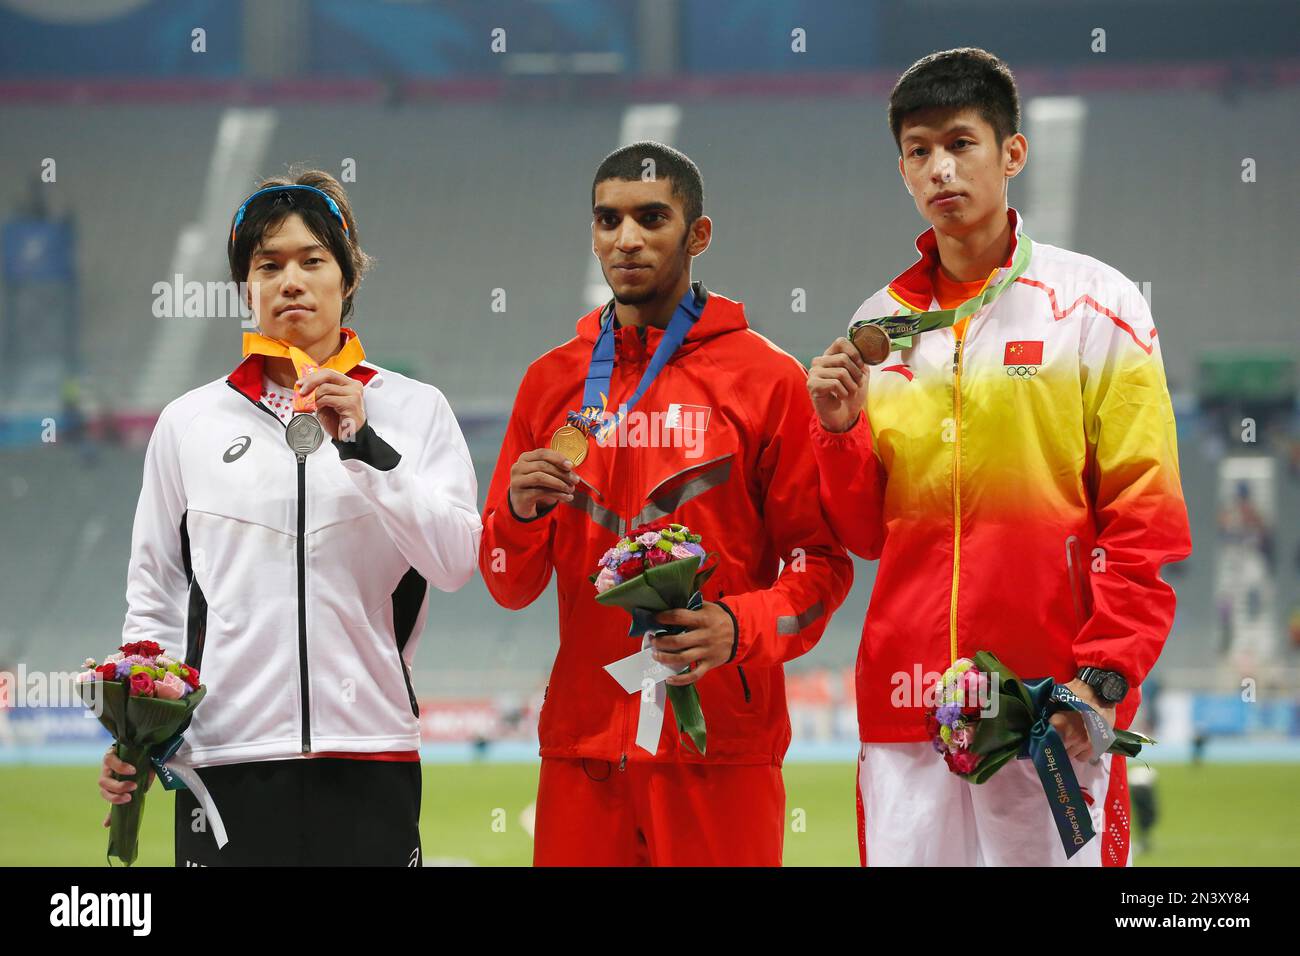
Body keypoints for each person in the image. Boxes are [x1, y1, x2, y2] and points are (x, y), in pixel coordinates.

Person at [806, 48, 1191, 866]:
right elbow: (866, 534)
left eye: (960, 143)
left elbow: (1145, 522)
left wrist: (1101, 679)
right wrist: (839, 431)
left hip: (1045, 709)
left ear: (1011, 153)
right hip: (910, 711)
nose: (940, 168)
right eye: (918, 151)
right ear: (902, 170)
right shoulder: (881, 323)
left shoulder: (1097, 306)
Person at [480, 142, 853, 866]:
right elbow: (506, 580)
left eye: (652, 217)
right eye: (608, 219)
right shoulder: (548, 383)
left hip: (720, 752)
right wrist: (517, 520)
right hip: (585, 753)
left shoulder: (768, 379)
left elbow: (822, 566)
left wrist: (735, 627)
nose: (626, 238)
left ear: (698, 234)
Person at [97, 168, 481, 866]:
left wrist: (368, 448)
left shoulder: (417, 410)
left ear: (348, 276)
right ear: (246, 287)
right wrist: (134, 732)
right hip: (223, 759)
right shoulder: (187, 423)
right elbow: (153, 597)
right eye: (267, 265)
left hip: (371, 756)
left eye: (313, 260)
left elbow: (456, 560)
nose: (291, 281)